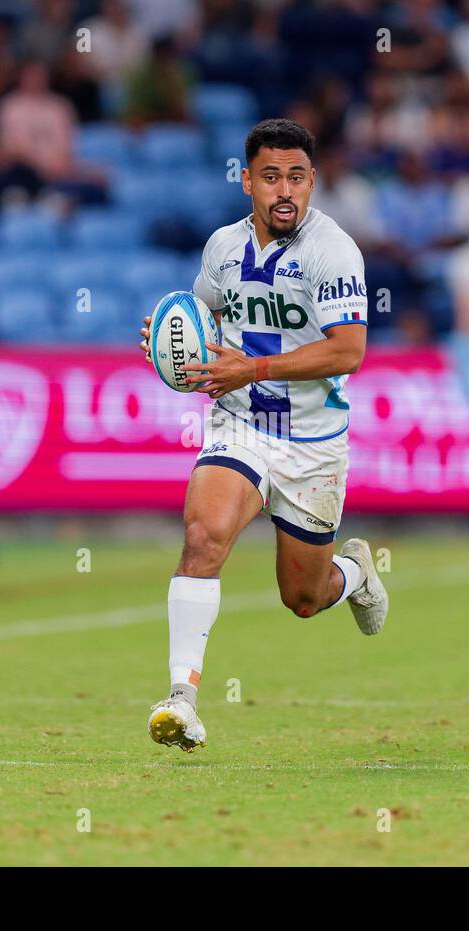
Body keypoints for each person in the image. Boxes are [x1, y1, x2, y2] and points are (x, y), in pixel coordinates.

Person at [136, 118, 389, 752]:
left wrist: (252, 366)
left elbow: (349, 350)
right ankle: (181, 699)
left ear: (313, 182)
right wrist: (170, 343)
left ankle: (354, 574)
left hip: (313, 443)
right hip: (241, 422)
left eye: (296, 177)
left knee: (303, 598)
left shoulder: (334, 252)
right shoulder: (221, 248)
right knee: (203, 537)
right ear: (247, 180)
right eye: (270, 176)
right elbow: (203, 317)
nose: (284, 191)